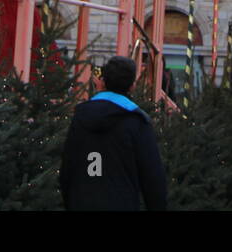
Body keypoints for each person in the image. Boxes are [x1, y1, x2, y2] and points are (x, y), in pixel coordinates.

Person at [60, 55, 167, 210]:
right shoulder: (136, 121)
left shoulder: (80, 117)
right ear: (132, 86)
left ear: (103, 81)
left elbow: (67, 168)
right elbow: (152, 177)